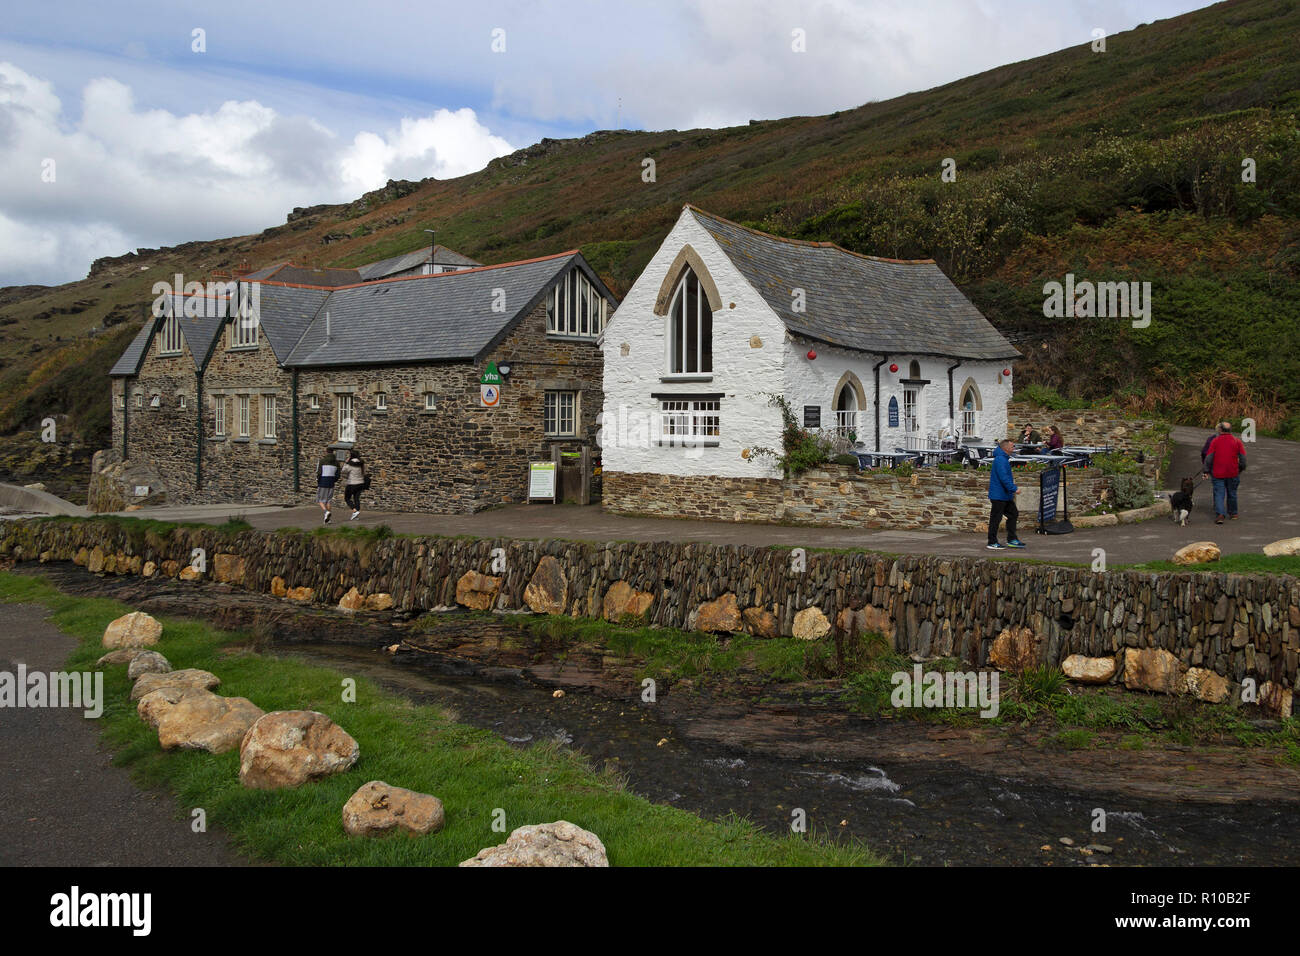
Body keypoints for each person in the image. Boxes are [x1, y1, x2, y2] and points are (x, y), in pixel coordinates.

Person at [1203, 421, 1246, 524]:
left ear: (1220, 430)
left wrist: (1206, 470)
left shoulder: (1215, 441)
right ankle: (1233, 513)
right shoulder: (1237, 441)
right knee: (1232, 493)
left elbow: (1209, 458)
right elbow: (1243, 458)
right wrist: (1240, 468)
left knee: (1219, 494)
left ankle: (1220, 514)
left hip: (1218, 473)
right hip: (1232, 472)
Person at [987, 437, 1025, 550]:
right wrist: (1014, 488)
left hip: (1005, 495)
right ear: (1006, 448)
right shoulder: (1000, 460)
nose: (1014, 447)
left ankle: (1012, 539)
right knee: (995, 519)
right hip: (998, 495)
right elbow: (1003, 477)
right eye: (1012, 446)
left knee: (1013, 514)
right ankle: (992, 541)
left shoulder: (1003, 459)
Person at [340, 449, 367, 520]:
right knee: (356, 498)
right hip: (360, 483)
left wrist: (346, 462)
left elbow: (343, 471)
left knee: (347, 498)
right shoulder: (361, 464)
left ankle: (354, 511)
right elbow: (364, 472)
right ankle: (356, 515)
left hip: (352, 483)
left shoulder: (350, 464)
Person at [316, 447, 340, 523]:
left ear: (326, 452)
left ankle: (326, 512)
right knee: (328, 501)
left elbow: (319, 472)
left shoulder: (322, 461)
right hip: (331, 482)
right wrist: (334, 480)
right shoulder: (336, 462)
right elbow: (338, 474)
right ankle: (328, 520)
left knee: (320, 500)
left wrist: (318, 480)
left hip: (323, 481)